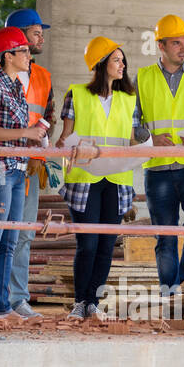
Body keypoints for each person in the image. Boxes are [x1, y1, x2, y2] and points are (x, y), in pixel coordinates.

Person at [0, 7, 55, 320]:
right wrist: (26, 133)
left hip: (21, 167)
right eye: (23, 48)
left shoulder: (27, 83)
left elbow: (41, 115)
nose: (31, 50)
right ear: (10, 52)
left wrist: (37, 138)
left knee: (12, 239)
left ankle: (4, 304)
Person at [58, 36, 138, 321]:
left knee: (106, 245)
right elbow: (64, 139)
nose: (122, 64)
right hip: (85, 178)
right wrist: (65, 146)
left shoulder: (130, 99)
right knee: (88, 243)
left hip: (116, 179)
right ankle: (80, 301)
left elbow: (131, 139)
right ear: (102, 64)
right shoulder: (77, 94)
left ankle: (93, 302)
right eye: (117, 59)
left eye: (123, 60)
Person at [133, 14, 184, 296]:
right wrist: (150, 138)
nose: (183, 48)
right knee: (165, 235)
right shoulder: (142, 78)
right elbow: (131, 123)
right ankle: (169, 292)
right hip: (158, 169)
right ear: (161, 46)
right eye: (176, 42)